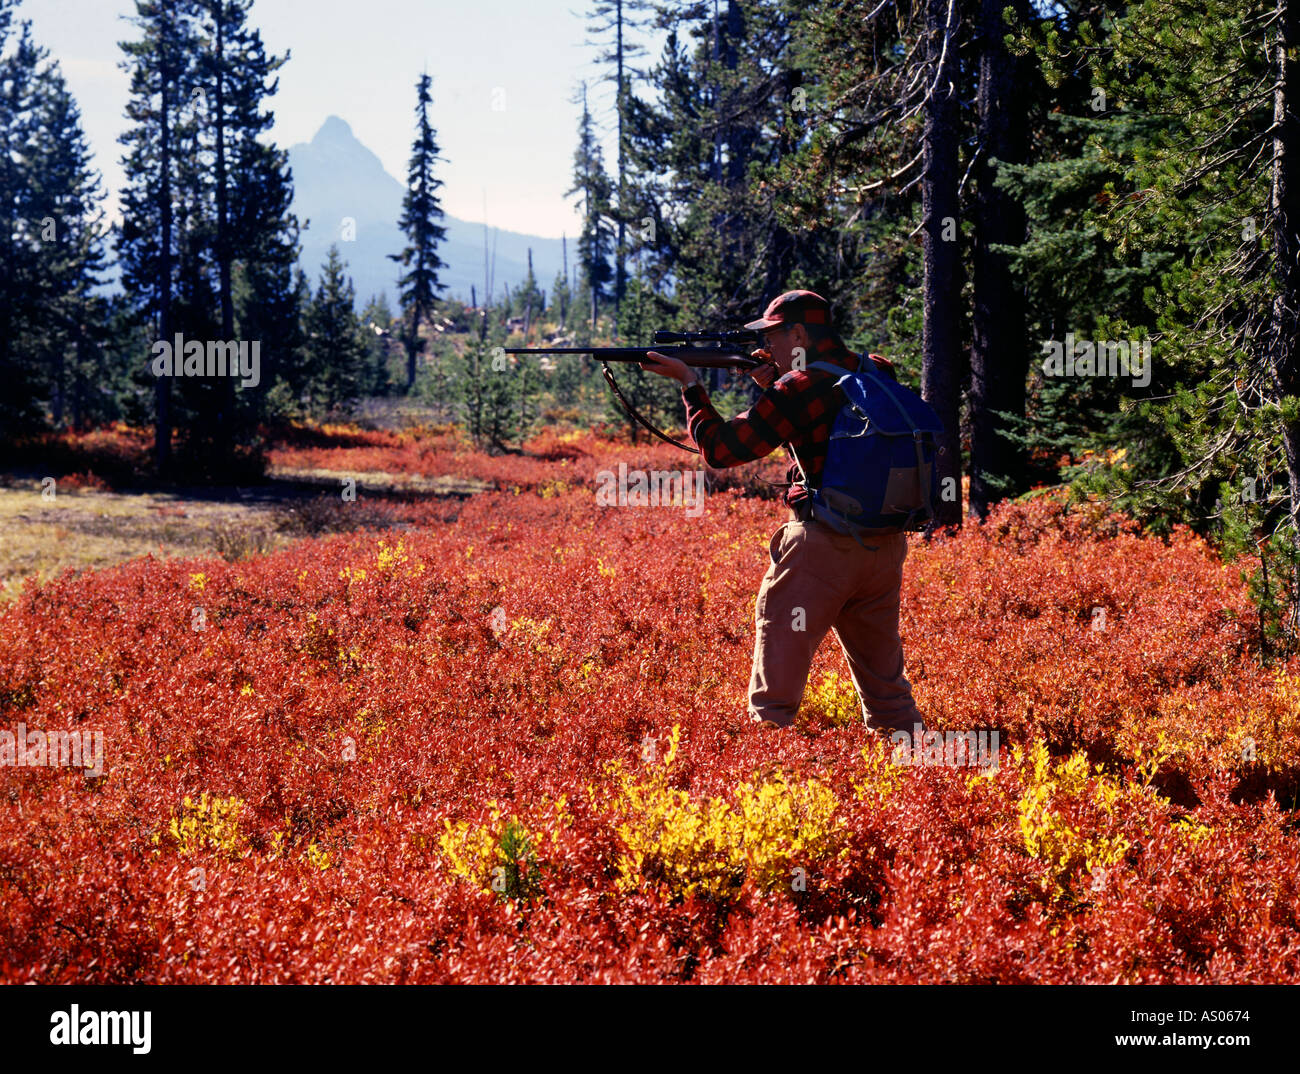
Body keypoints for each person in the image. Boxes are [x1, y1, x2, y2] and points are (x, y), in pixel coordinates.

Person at [639, 289, 924, 739]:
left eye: (772, 335)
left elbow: (721, 449)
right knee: (887, 688)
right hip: (884, 545)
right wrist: (773, 382)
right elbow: (829, 420)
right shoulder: (876, 369)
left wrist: (690, 385)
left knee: (775, 693)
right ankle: (918, 768)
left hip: (822, 547)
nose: (766, 345)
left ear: (798, 333)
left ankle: (769, 766)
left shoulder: (797, 387)